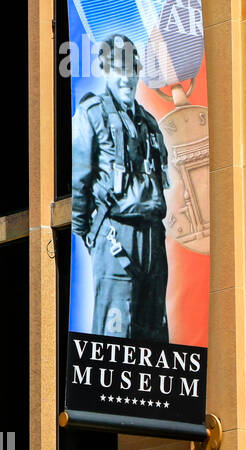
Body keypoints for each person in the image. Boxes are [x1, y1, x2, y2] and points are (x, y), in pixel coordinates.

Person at [71, 34, 171, 341]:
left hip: (153, 239)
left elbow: (162, 181)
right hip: (115, 236)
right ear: (105, 70)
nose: (126, 78)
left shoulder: (151, 124)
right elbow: (79, 184)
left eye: (131, 69)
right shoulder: (91, 116)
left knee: (154, 335)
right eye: (117, 69)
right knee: (114, 336)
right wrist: (93, 235)